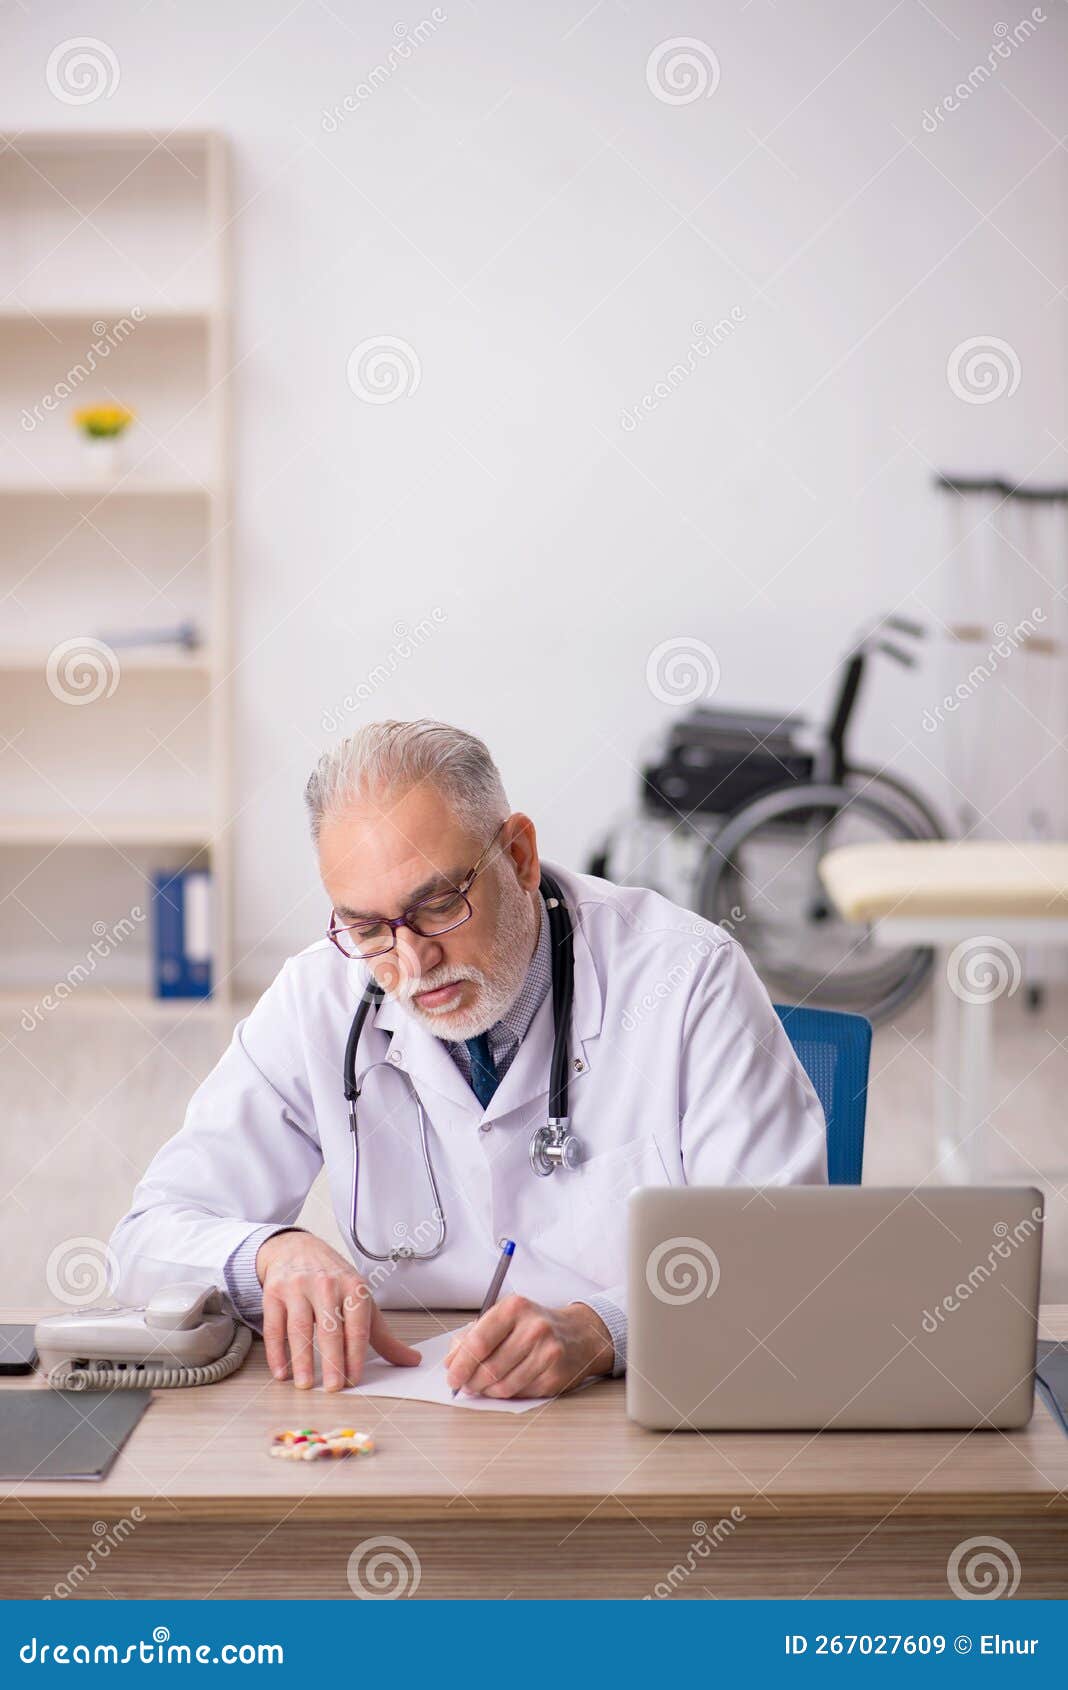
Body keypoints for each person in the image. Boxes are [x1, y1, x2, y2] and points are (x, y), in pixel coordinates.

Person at [109, 720, 826, 1397]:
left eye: (439, 905)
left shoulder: (686, 976)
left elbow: (783, 1257)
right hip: (412, 1404)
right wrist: (273, 1253)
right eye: (367, 926)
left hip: (637, 1405)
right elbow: (147, 1238)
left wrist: (604, 1329)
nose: (413, 961)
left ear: (518, 856)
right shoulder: (318, 996)